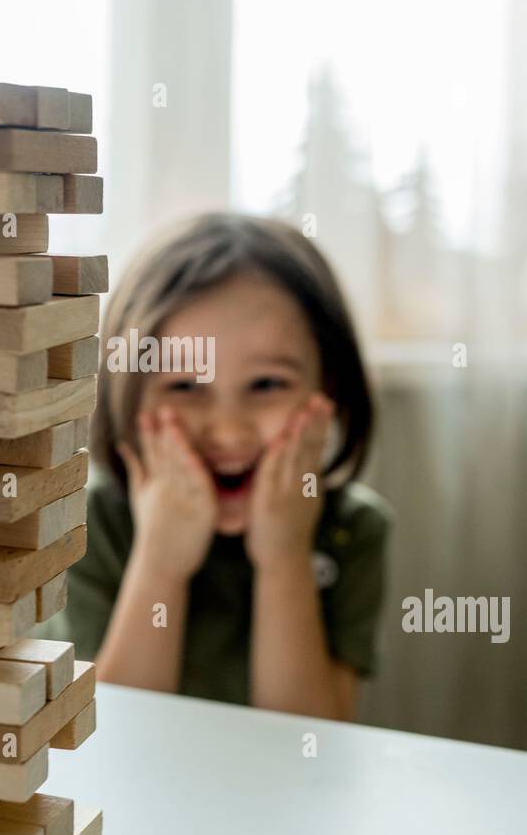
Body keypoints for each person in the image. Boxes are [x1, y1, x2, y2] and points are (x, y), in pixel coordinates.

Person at [43, 211, 392, 720]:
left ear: (330, 390)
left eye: (267, 385)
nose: (228, 432)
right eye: (185, 387)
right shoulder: (85, 524)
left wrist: (284, 557)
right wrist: (160, 563)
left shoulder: (352, 530)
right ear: (125, 399)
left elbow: (307, 740)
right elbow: (111, 737)